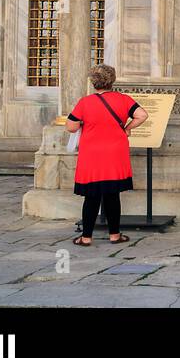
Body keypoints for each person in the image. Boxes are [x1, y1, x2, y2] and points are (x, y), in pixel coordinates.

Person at [65, 64, 148, 245]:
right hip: (115, 152)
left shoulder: (85, 102)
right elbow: (142, 115)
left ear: (93, 82)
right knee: (112, 194)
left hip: (92, 154)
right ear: (112, 80)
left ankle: (86, 237)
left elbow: (71, 127)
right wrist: (127, 128)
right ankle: (115, 235)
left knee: (92, 196)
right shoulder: (123, 99)